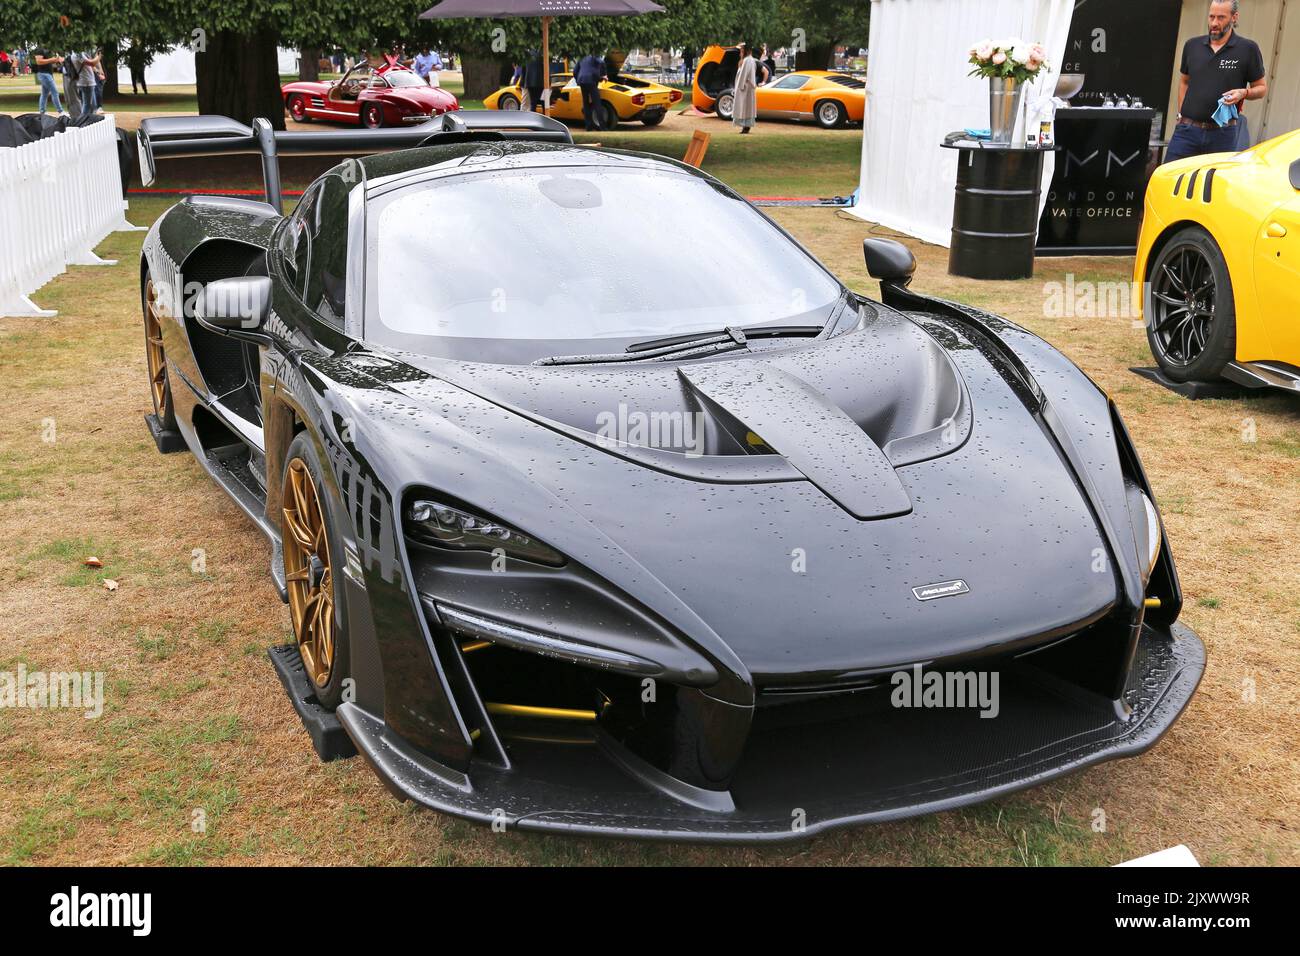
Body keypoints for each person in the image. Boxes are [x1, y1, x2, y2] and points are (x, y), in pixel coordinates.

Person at [1165, 0, 1266, 163]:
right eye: (1211, 17)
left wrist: (1244, 93)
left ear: (1234, 17)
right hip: (1186, 132)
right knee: (1170, 178)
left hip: (1222, 135)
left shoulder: (1248, 49)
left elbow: (1261, 88)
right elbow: (1184, 81)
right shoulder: (1192, 45)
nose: (1214, 23)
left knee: (1212, 184)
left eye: (1221, 18)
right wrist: (1180, 115)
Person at [732, 42, 759, 134]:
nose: (740, 52)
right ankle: (746, 126)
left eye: (742, 50)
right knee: (746, 107)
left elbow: (743, 75)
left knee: (745, 107)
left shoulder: (748, 60)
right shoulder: (748, 60)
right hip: (747, 87)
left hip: (746, 87)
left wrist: (740, 86)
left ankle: (746, 126)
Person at [575, 52, 605, 131]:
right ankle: (603, 127)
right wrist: (604, 75)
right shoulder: (594, 57)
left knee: (586, 103)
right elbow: (602, 62)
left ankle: (588, 126)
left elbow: (574, 71)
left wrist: (577, 80)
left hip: (582, 81)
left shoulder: (582, 58)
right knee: (597, 104)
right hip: (591, 81)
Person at [30, 47, 65, 115]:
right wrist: (51, 60)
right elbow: (39, 62)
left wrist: (56, 60)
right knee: (55, 92)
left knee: (44, 94)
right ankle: (60, 111)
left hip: (47, 74)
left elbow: (49, 61)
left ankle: (42, 111)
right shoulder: (39, 50)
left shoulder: (49, 50)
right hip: (44, 74)